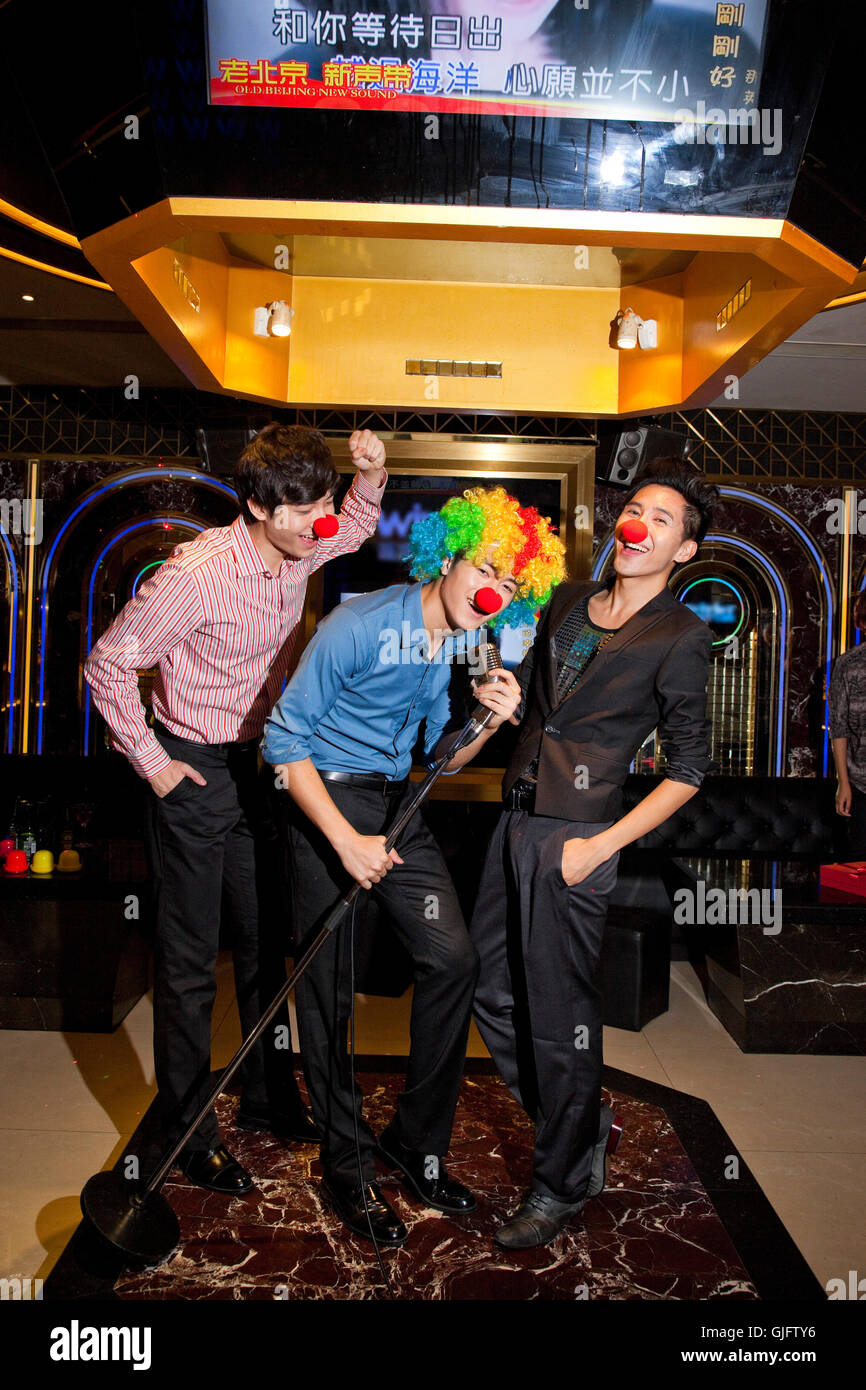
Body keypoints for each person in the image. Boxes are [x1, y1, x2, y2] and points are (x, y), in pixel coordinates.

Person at [84, 424, 387, 1194]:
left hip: (261, 760)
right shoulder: (198, 574)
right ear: (255, 505)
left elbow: (350, 527)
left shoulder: (303, 537)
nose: (320, 519)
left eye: (322, 500)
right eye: (303, 507)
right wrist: (154, 766)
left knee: (263, 945)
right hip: (191, 763)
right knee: (188, 965)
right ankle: (189, 1131)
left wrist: (370, 476)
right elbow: (110, 665)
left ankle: (266, 1097)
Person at [260, 485, 567, 1246]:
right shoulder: (357, 623)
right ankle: (347, 1163)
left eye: (514, 586)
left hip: (397, 805)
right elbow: (280, 741)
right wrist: (342, 840)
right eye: (489, 567)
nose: (494, 591)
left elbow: (440, 755)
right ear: (449, 555)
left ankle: (417, 1142)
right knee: (329, 992)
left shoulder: (460, 645)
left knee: (452, 959)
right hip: (322, 800)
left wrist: (489, 724)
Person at [470, 465, 718, 1248]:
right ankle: (581, 1126)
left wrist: (599, 847)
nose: (638, 526)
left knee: (558, 1018)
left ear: (685, 548)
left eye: (662, 520)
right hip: (514, 813)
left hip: (577, 838)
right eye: (634, 511)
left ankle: (559, 1185)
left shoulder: (680, 636)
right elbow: (551, 715)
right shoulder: (573, 599)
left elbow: (688, 769)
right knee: (486, 989)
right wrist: (507, 710)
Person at [829, 590, 866, 859]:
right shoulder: (848, 665)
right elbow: (838, 727)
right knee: (857, 876)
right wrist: (844, 782)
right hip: (861, 784)